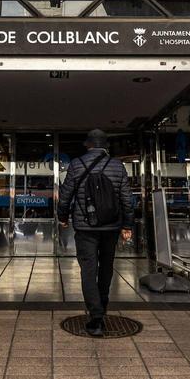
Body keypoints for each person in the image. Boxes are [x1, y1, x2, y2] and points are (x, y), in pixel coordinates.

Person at [58, 129, 133, 337]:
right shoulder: (118, 167)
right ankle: (103, 304)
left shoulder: (76, 164)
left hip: (85, 228)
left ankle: (96, 316)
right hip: (111, 227)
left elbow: (65, 195)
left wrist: (62, 217)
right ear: (105, 146)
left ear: (88, 145)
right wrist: (128, 225)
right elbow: (127, 198)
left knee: (88, 269)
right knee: (107, 267)